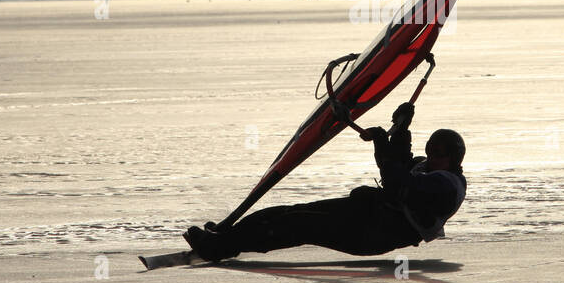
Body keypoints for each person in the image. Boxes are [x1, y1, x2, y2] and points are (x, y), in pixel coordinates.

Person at [185, 103, 466, 262]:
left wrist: (385, 139)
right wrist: (400, 129)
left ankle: (219, 248)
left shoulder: (447, 186)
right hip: (364, 214)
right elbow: (400, 161)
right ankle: (225, 237)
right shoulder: (427, 168)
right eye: (429, 150)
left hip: (371, 232)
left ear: (453, 158)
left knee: (295, 225)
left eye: (438, 154)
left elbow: (396, 181)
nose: (430, 157)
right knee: (288, 212)